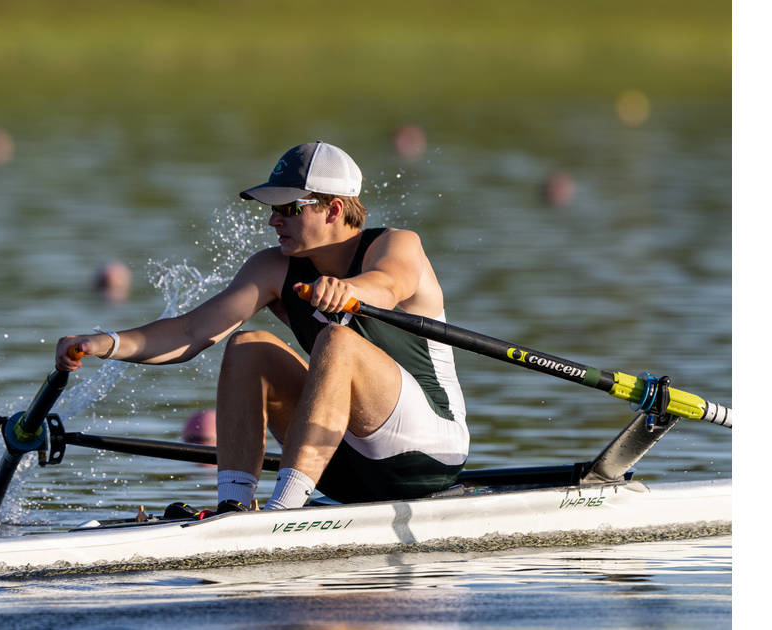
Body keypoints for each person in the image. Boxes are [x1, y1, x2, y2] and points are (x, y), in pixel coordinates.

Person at [55, 141, 469, 512]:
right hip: (342, 465)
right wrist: (104, 341)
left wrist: (349, 290)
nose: (274, 221)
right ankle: (234, 506)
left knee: (338, 339)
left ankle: (282, 512)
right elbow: (189, 333)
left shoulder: (396, 245)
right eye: (272, 209)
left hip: (426, 454)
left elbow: (387, 284)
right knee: (247, 345)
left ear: (335, 209)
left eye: (288, 208)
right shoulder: (272, 269)